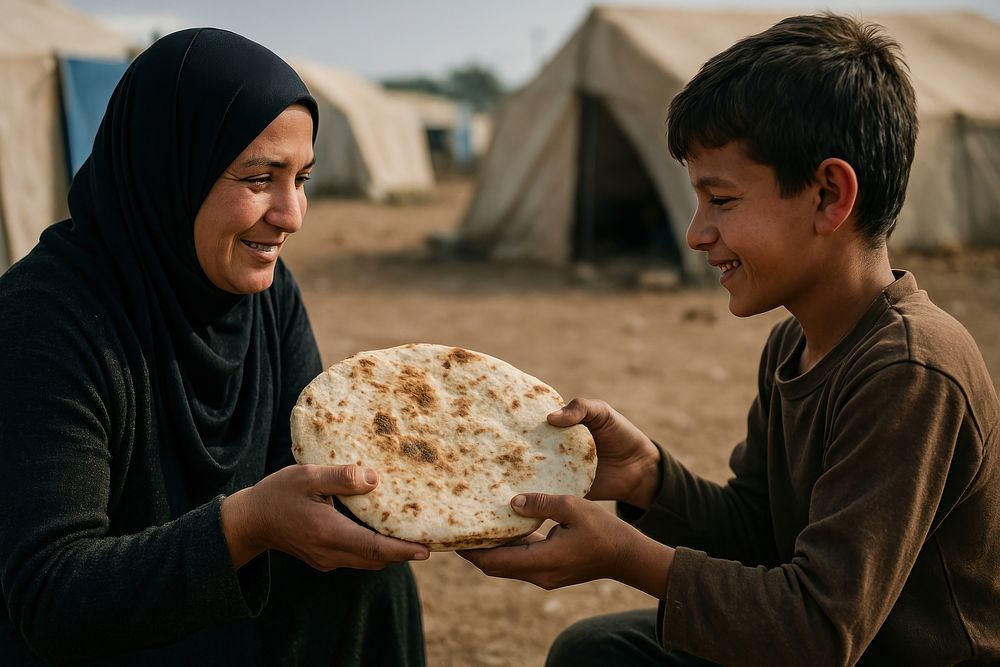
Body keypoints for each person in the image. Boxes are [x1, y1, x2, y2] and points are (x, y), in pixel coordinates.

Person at [461, 13, 1000, 666]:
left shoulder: (911, 370)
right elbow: (759, 534)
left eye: (720, 199)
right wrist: (648, 480)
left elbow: (819, 629)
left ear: (830, 195)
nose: (695, 232)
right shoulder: (794, 345)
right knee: (596, 651)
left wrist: (625, 554)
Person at [0, 28, 430, 665]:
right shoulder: (44, 320)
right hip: (96, 637)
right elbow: (53, 597)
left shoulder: (265, 294)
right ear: (169, 171)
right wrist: (248, 524)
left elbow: (305, 460)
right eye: (260, 178)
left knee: (372, 581)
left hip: (219, 608)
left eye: (302, 178)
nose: (291, 215)